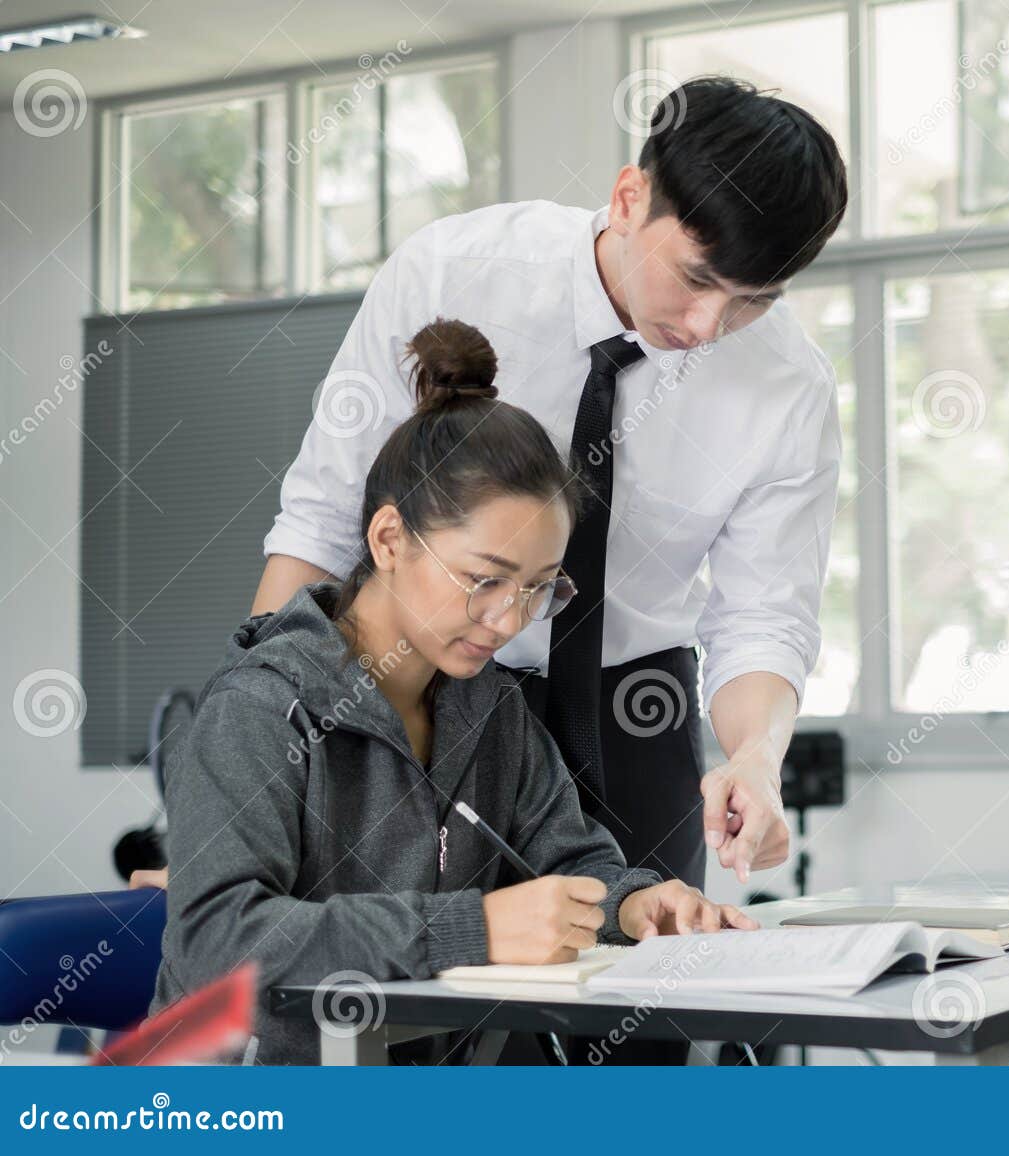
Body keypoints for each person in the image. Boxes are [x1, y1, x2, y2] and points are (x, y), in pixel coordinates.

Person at [249, 76, 850, 905]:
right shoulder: (451, 272)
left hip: (634, 704)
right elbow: (323, 523)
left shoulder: (789, 386)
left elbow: (763, 617)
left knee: (654, 954)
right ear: (629, 198)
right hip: (423, 681)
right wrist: (240, 796)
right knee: (413, 959)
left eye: (754, 300)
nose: (708, 327)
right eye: (695, 278)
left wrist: (755, 758)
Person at [149, 319, 755, 1066]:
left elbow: (569, 860)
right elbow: (213, 945)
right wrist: (475, 930)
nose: (509, 620)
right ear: (389, 540)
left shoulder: (490, 709)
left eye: (537, 588)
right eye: (484, 579)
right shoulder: (261, 707)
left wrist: (633, 904)